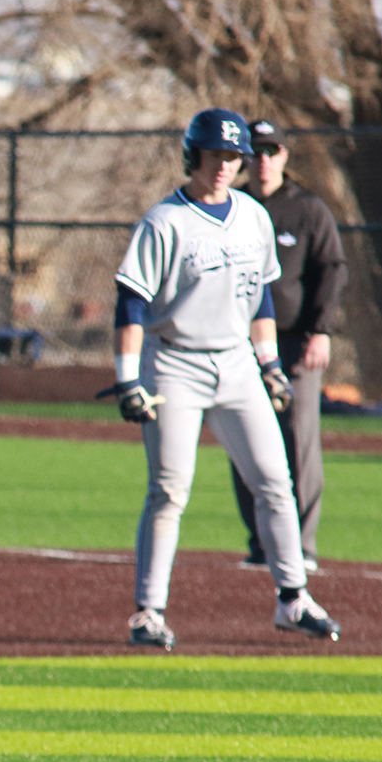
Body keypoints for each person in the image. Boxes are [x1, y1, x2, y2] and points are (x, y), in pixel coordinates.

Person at [105, 107, 340, 650]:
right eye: (215, 156)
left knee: (275, 481)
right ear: (193, 157)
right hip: (174, 362)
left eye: (234, 157)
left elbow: (258, 294)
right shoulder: (165, 221)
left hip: (236, 362)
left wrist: (270, 364)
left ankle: (292, 598)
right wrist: (126, 378)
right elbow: (131, 303)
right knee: (169, 490)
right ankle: (148, 612)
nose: (225, 166)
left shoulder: (252, 216)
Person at [230, 119, 347, 573]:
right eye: (255, 151)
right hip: (239, 345)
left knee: (297, 439)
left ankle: (300, 545)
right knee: (244, 440)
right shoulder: (232, 207)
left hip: (295, 342)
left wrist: (321, 330)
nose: (263, 160)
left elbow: (332, 270)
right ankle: (261, 543)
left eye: (271, 150)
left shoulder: (307, 208)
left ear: (284, 156)